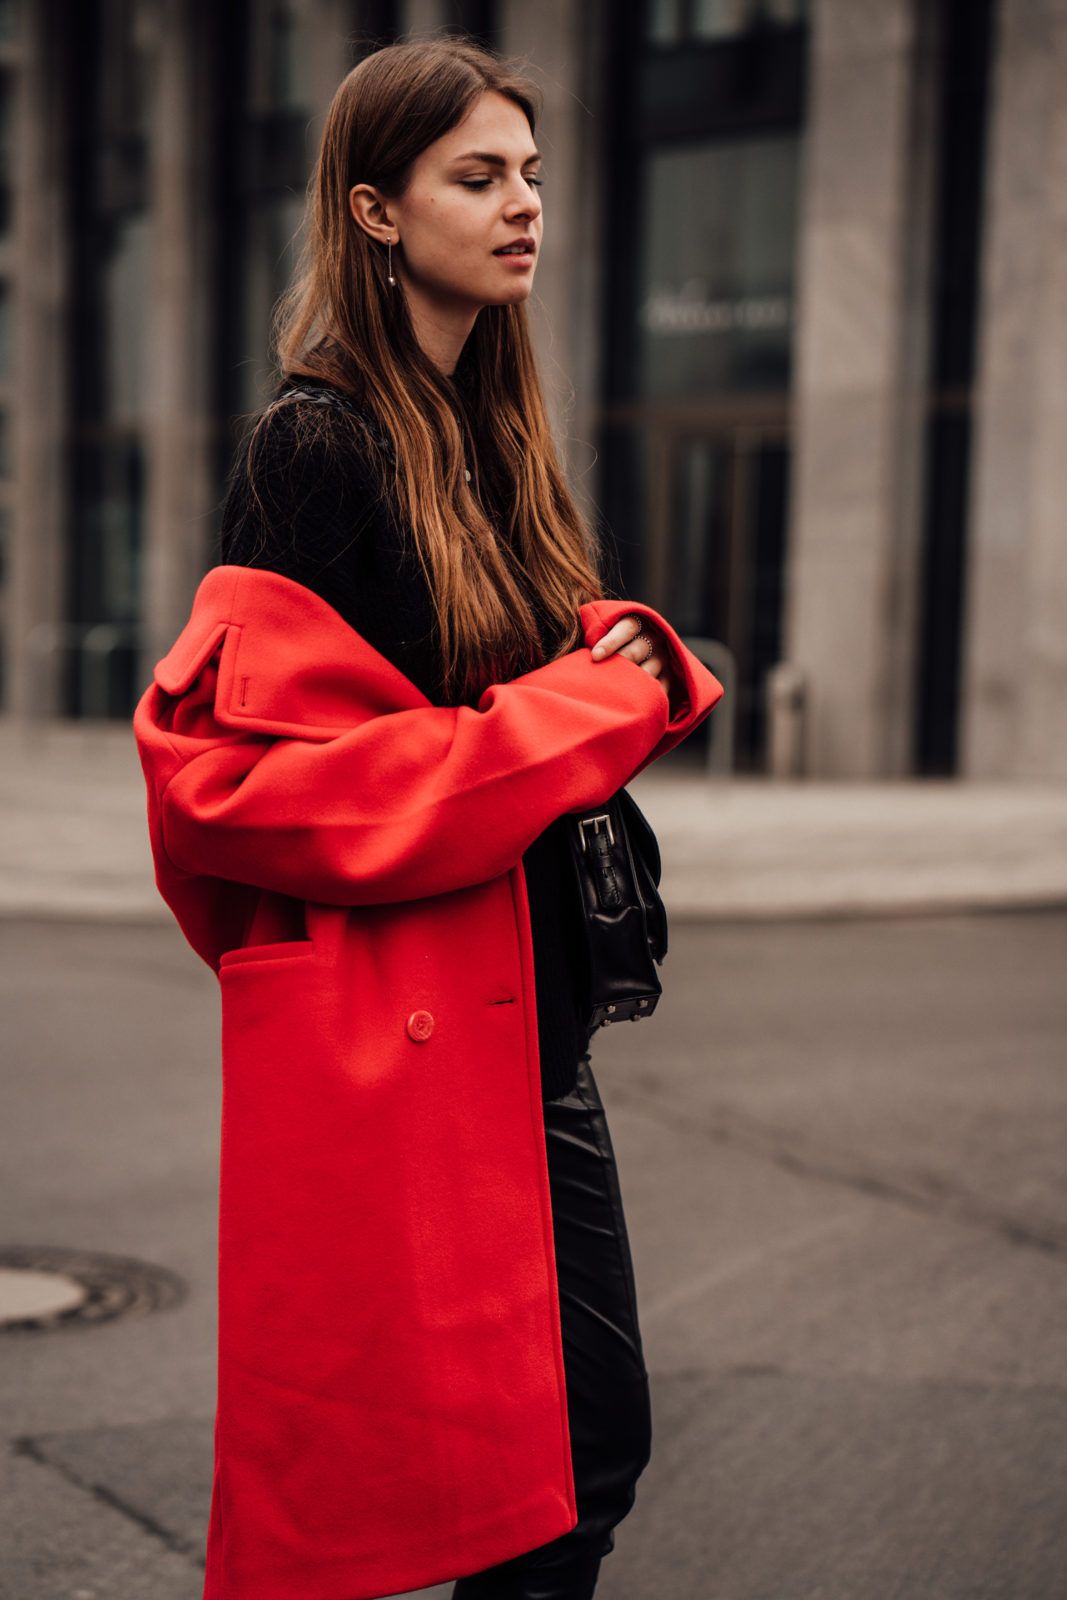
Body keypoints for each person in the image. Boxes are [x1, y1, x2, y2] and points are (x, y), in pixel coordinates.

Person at [134, 34, 721, 1600]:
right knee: (543, 1485)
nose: (524, 204)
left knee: (569, 1469)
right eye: (479, 177)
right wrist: (609, 697)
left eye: (531, 174)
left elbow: (479, 718)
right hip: (428, 1043)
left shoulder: (488, 440)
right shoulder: (315, 446)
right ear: (376, 210)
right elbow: (240, 789)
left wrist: (595, 675)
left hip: (534, 1027)